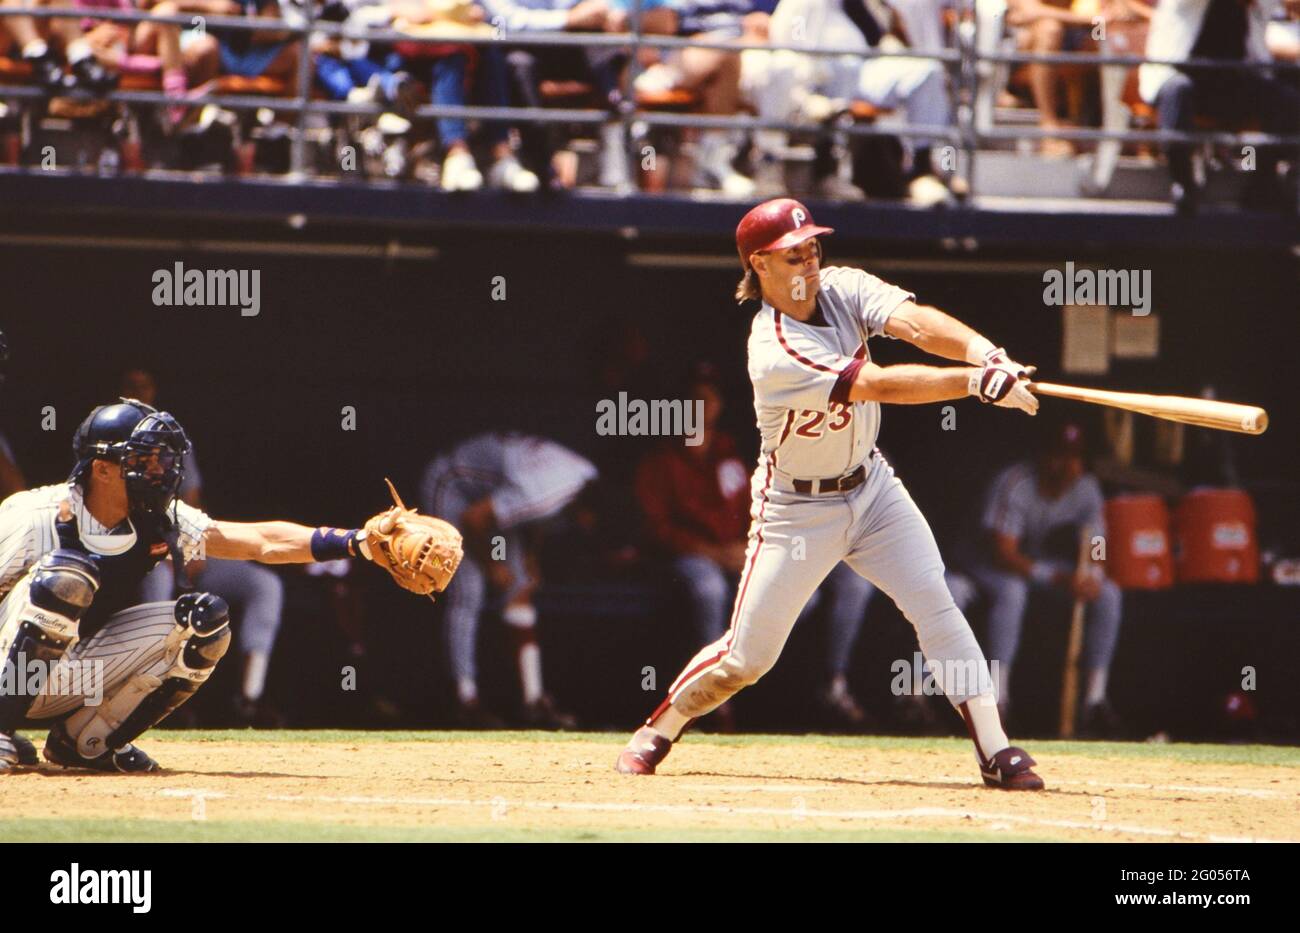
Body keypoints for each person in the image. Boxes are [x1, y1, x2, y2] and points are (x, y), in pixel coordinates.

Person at [615, 197, 1046, 790]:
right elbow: (877, 386)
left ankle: (996, 750)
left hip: (872, 488)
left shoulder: (842, 287)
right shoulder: (772, 349)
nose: (809, 263)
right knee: (748, 658)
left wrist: (985, 354)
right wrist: (974, 385)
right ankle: (660, 726)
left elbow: (916, 324)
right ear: (759, 265)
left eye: (813, 248)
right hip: (796, 509)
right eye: (793, 255)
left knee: (935, 603)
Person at [0, 398, 433, 771]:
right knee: (66, 577)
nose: (160, 470)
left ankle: (86, 741)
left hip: (68, 675)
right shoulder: (34, 514)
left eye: (162, 458)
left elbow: (260, 543)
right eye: (143, 459)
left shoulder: (157, 516)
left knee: (203, 621)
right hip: (7, 670)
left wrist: (358, 543)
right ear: (103, 469)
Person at [634, 365, 876, 728]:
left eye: (709, 399)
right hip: (689, 556)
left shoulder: (730, 454)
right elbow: (657, 529)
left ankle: (788, 689)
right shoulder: (661, 458)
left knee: (804, 597)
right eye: (695, 399)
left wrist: (747, 546)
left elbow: (759, 508)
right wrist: (713, 553)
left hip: (737, 551)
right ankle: (708, 700)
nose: (702, 407)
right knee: (708, 588)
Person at [122, 370, 287, 726]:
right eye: (131, 387)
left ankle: (249, 699)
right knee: (158, 588)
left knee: (265, 585)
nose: (139, 394)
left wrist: (189, 553)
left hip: (177, 552)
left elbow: (191, 505)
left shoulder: (171, 440)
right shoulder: (105, 437)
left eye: (145, 386)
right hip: (130, 559)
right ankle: (146, 698)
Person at [420, 431, 597, 728]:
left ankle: (533, 700)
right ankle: (464, 699)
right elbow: (474, 519)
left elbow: (538, 515)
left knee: (520, 586)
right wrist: (491, 565)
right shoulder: (545, 493)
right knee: (470, 589)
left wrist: (530, 556)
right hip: (452, 485)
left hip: (490, 494)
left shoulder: (585, 475)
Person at [964, 421, 1123, 736]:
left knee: (1108, 593)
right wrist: (1060, 578)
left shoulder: (1086, 487)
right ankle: (999, 696)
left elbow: (1099, 541)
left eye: (1074, 456)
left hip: (1038, 566)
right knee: (1012, 593)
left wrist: (1094, 572)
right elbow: (1003, 554)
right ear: (1042, 456)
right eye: (1059, 455)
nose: (1066, 464)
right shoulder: (1016, 482)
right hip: (981, 563)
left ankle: (1095, 699)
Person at [1140, 0, 1299, 213]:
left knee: (1286, 100)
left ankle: (1262, 182)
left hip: (1231, 81)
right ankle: (1183, 182)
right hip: (1179, 75)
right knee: (1178, 91)